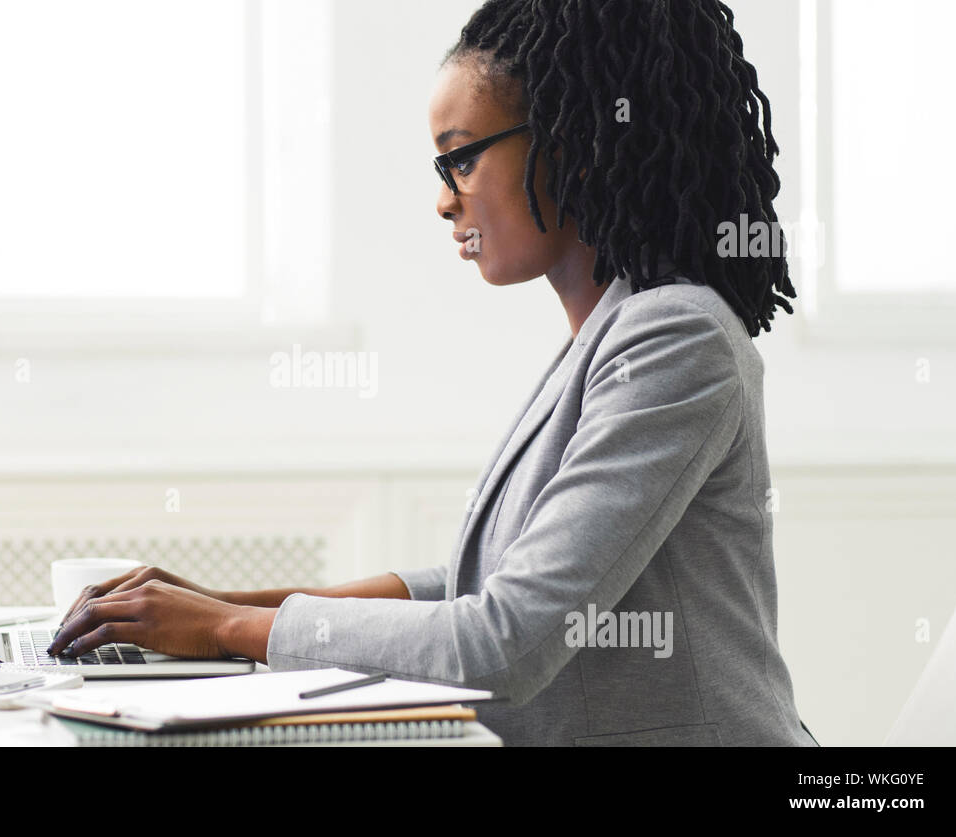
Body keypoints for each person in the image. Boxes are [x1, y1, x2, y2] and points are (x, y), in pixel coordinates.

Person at [47, 0, 815, 746]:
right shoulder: (605, 336)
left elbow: (502, 639)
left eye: (463, 157)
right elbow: (473, 585)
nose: (445, 200)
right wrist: (224, 603)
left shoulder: (677, 338)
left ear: (575, 142)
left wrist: (226, 629)